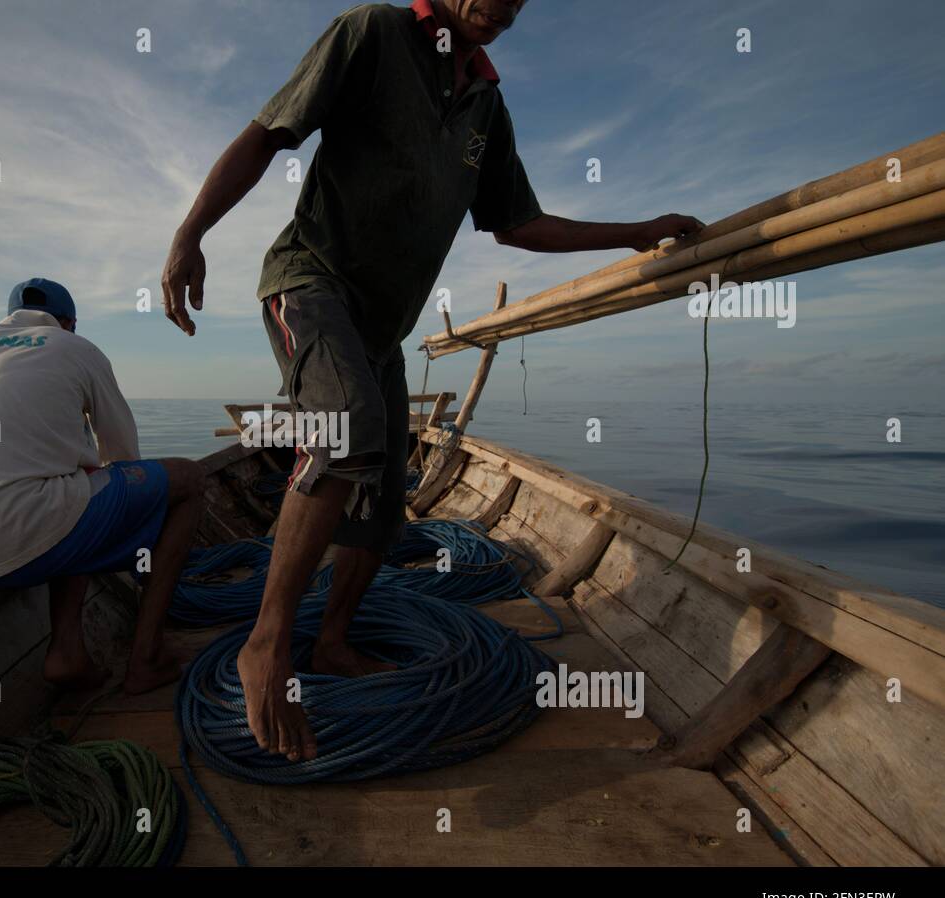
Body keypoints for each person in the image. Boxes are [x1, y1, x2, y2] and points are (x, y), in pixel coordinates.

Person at [160, 0, 704, 762]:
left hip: (382, 329)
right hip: (309, 283)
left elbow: (517, 223)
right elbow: (266, 134)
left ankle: (336, 641)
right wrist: (190, 235)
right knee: (343, 431)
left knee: (384, 499)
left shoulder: (488, 103)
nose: (502, 5)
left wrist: (636, 230)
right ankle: (267, 642)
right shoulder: (374, 34)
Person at [0, 277, 201, 694]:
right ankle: (146, 658)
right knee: (187, 480)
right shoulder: (77, 348)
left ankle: (68, 653)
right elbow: (124, 456)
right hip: (12, 536)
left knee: (72, 484)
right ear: (69, 323)